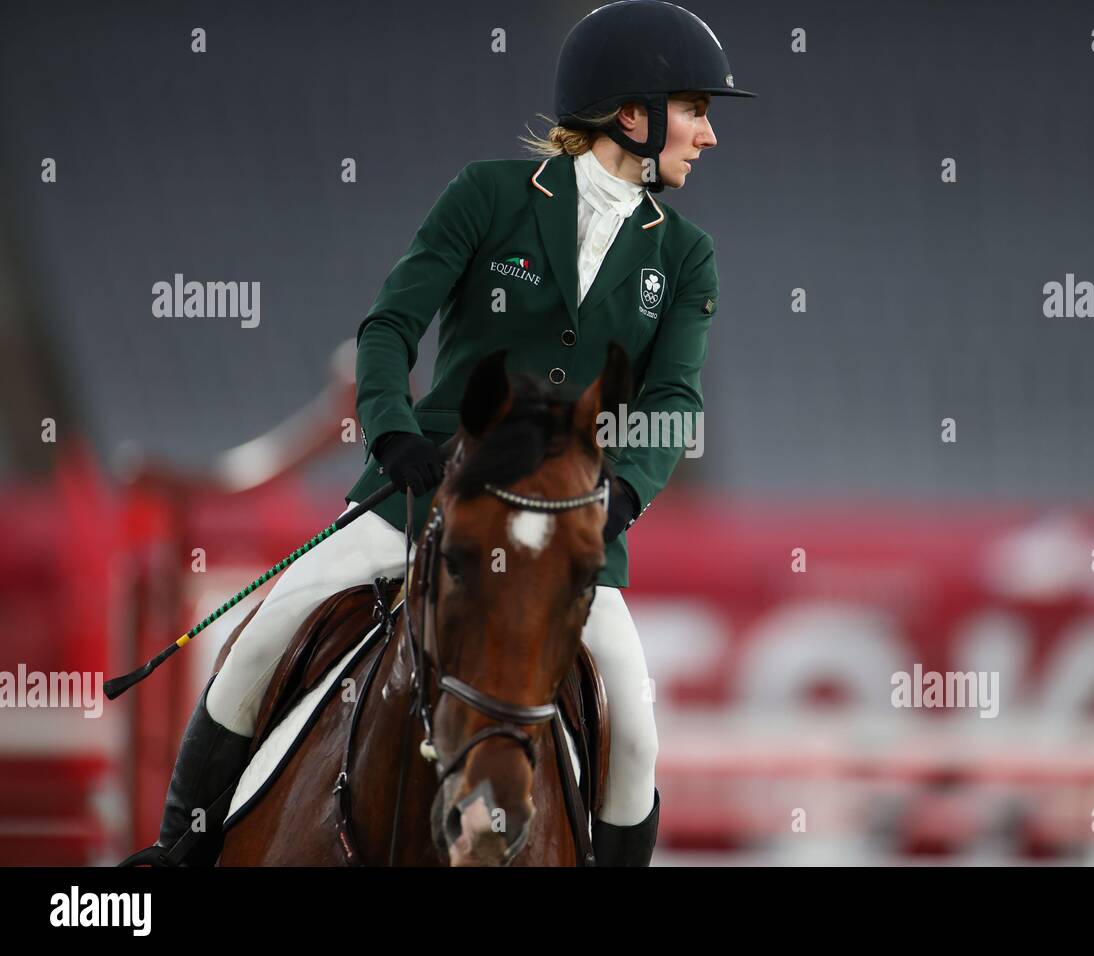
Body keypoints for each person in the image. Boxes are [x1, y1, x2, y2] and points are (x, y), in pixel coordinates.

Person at [147, 0, 753, 867]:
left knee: (637, 735)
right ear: (634, 113)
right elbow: (390, 327)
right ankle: (174, 861)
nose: (707, 135)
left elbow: (674, 397)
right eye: (696, 111)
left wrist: (623, 494)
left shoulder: (685, 255)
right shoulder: (488, 195)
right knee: (260, 640)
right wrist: (392, 433)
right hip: (427, 490)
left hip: (566, 526)